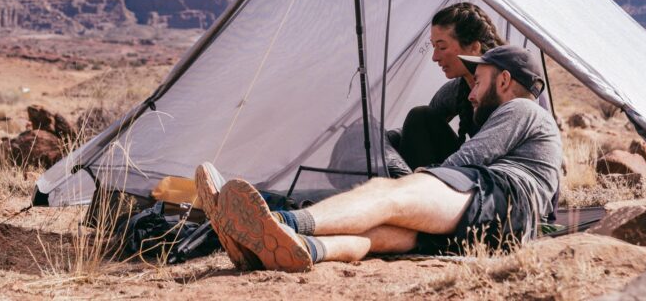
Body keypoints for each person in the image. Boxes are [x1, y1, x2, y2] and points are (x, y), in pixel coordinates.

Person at [196, 45, 562, 272]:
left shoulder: (521, 109)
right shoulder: (533, 121)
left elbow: (469, 159)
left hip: (504, 196)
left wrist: (419, 183)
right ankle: (302, 248)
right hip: (507, 227)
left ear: (504, 81)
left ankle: (280, 222)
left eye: (478, 81)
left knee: (387, 195)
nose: (471, 94)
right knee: (386, 237)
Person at [386, 2, 504, 175]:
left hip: (497, 181)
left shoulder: (510, 90)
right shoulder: (456, 91)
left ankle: (419, 192)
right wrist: (382, 143)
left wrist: (431, 175)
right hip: (465, 169)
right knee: (420, 116)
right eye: (434, 47)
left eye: (442, 47)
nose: (434, 57)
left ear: (474, 47)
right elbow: (417, 130)